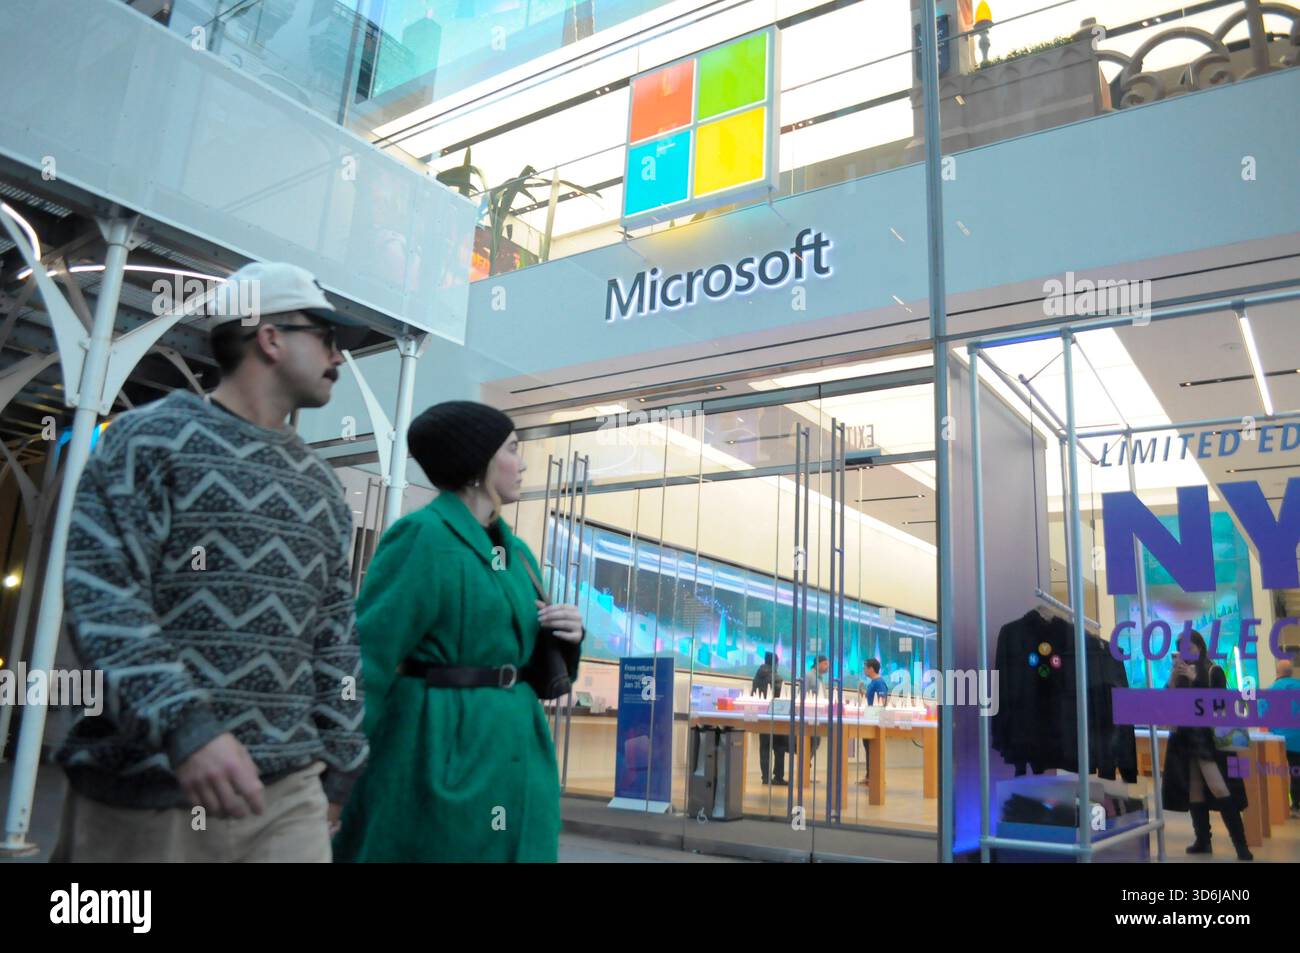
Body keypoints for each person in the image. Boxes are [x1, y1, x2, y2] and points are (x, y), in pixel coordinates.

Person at [52, 261, 370, 862]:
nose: (339, 355)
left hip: (289, 795)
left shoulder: (323, 485)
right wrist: (185, 726)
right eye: (326, 336)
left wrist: (344, 762)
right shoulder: (148, 439)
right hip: (149, 791)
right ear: (270, 338)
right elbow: (103, 597)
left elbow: (334, 635)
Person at [333, 401, 583, 862]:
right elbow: (367, 655)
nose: (523, 462)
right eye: (512, 448)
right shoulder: (422, 536)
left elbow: (524, 655)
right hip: (438, 742)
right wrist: (342, 764)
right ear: (478, 461)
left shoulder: (518, 552)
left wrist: (568, 636)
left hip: (517, 744)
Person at [1161, 630, 1252, 860]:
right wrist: (1174, 678)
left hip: (1208, 740)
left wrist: (1195, 678)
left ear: (1200, 648)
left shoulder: (1214, 670)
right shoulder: (1179, 675)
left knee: (1220, 787)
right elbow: (1165, 702)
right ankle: (1203, 840)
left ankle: (1241, 846)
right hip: (1184, 739)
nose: (1187, 654)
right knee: (1195, 792)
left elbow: (1219, 704)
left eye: (1191, 648)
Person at [1269, 657, 1300, 817]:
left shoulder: (1273, 689)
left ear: (1278, 672)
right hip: (1298, 738)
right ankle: (1296, 805)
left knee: (1279, 774)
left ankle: (1284, 807)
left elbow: (1265, 715)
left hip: (1280, 740)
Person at [752, 651, 788, 785]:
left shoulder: (757, 675)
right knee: (779, 746)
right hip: (775, 716)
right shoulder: (777, 678)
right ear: (776, 663)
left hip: (761, 716)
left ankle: (765, 777)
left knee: (764, 747)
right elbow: (782, 697)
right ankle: (778, 776)